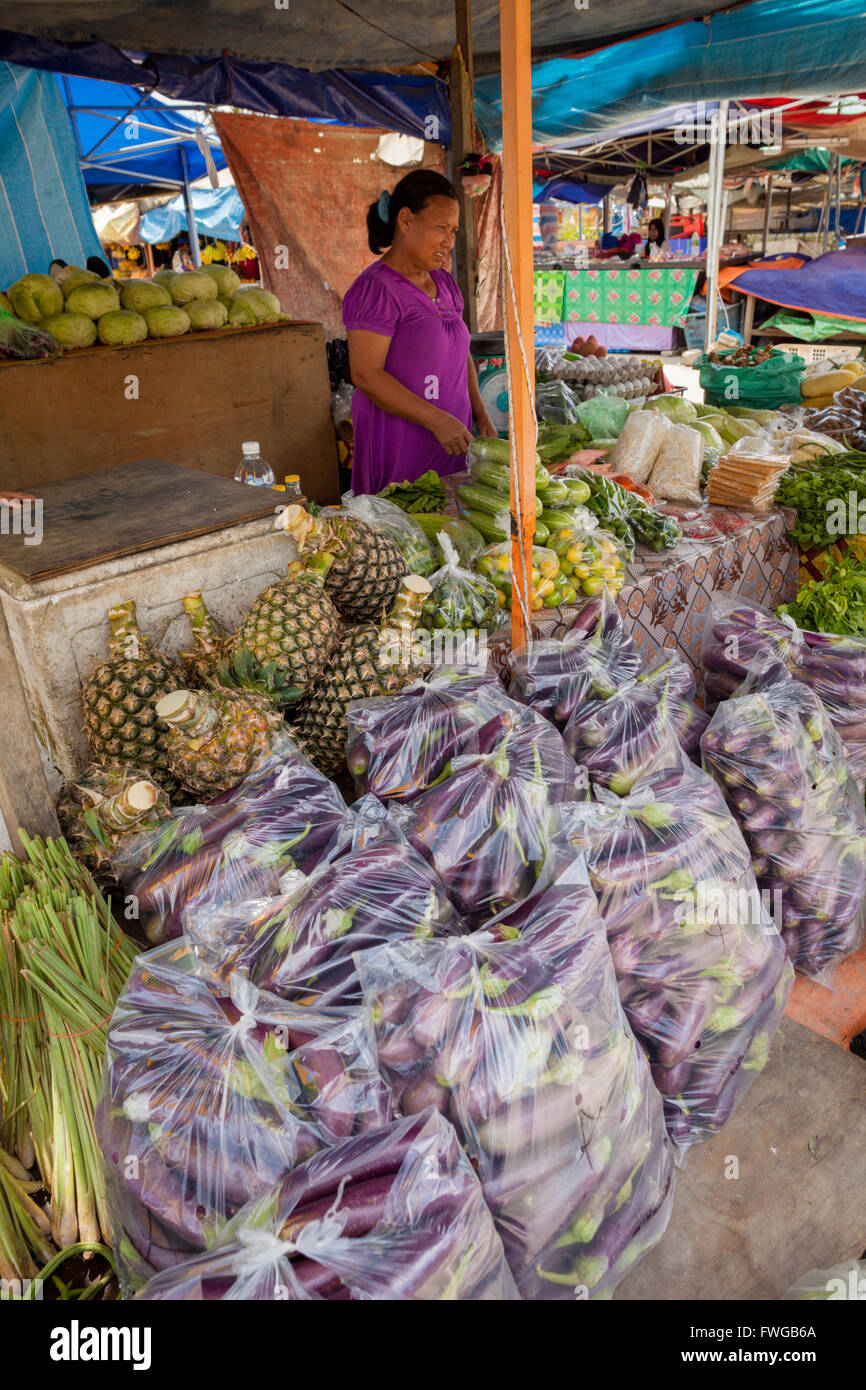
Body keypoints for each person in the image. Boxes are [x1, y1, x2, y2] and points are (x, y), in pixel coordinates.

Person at [342, 169, 497, 495]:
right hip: (401, 441)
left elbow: (459, 352)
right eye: (441, 227)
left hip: (451, 438)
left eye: (453, 230)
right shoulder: (375, 290)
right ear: (406, 220)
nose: (449, 240)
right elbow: (365, 374)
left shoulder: (444, 282)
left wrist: (480, 412)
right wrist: (436, 420)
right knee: (406, 528)